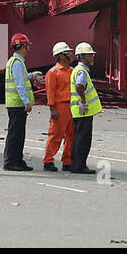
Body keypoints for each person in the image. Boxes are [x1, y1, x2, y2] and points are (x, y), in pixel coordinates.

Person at [3, 34, 36, 171]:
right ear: (22, 46)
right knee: (15, 134)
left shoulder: (14, 62)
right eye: (27, 46)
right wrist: (26, 102)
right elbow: (19, 84)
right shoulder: (17, 63)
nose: (28, 49)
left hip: (15, 104)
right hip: (17, 104)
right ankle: (10, 161)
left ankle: (17, 159)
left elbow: (21, 79)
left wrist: (31, 76)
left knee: (18, 133)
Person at [68, 42, 102, 175]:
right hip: (83, 110)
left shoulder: (77, 70)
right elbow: (79, 86)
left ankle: (75, 165)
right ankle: (79, 166)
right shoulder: (81, 71)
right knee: (83, 140)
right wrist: (83, 100)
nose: (92, 57)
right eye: (90, 55)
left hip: (78, 111)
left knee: (78, 138)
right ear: (81, 57)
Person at [42, 42, 75, 172]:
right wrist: (52, 109)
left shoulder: (72, 71)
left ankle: (68, 161)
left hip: (72, 106)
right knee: (55, 135)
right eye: (68, 53)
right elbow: (50, 91)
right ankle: (48, 161)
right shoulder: (53, 72)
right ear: (61, 56)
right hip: (60, 107)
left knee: (71, 135)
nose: (71, 55)